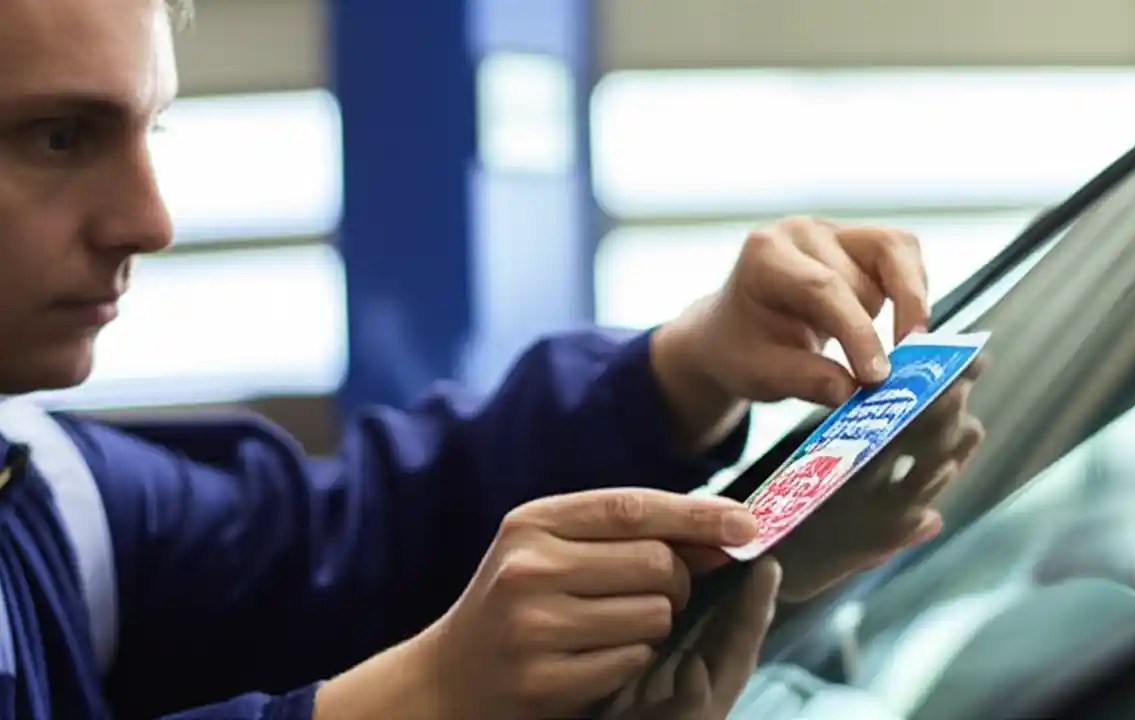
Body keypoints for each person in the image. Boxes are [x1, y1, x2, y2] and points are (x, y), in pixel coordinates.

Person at [0, 0, 974, 718]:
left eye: (153, 128)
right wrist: (419, 699)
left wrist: (689, 369)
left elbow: (341, 550)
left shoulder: (40, 485)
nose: (151, 221)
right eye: (57, 137)